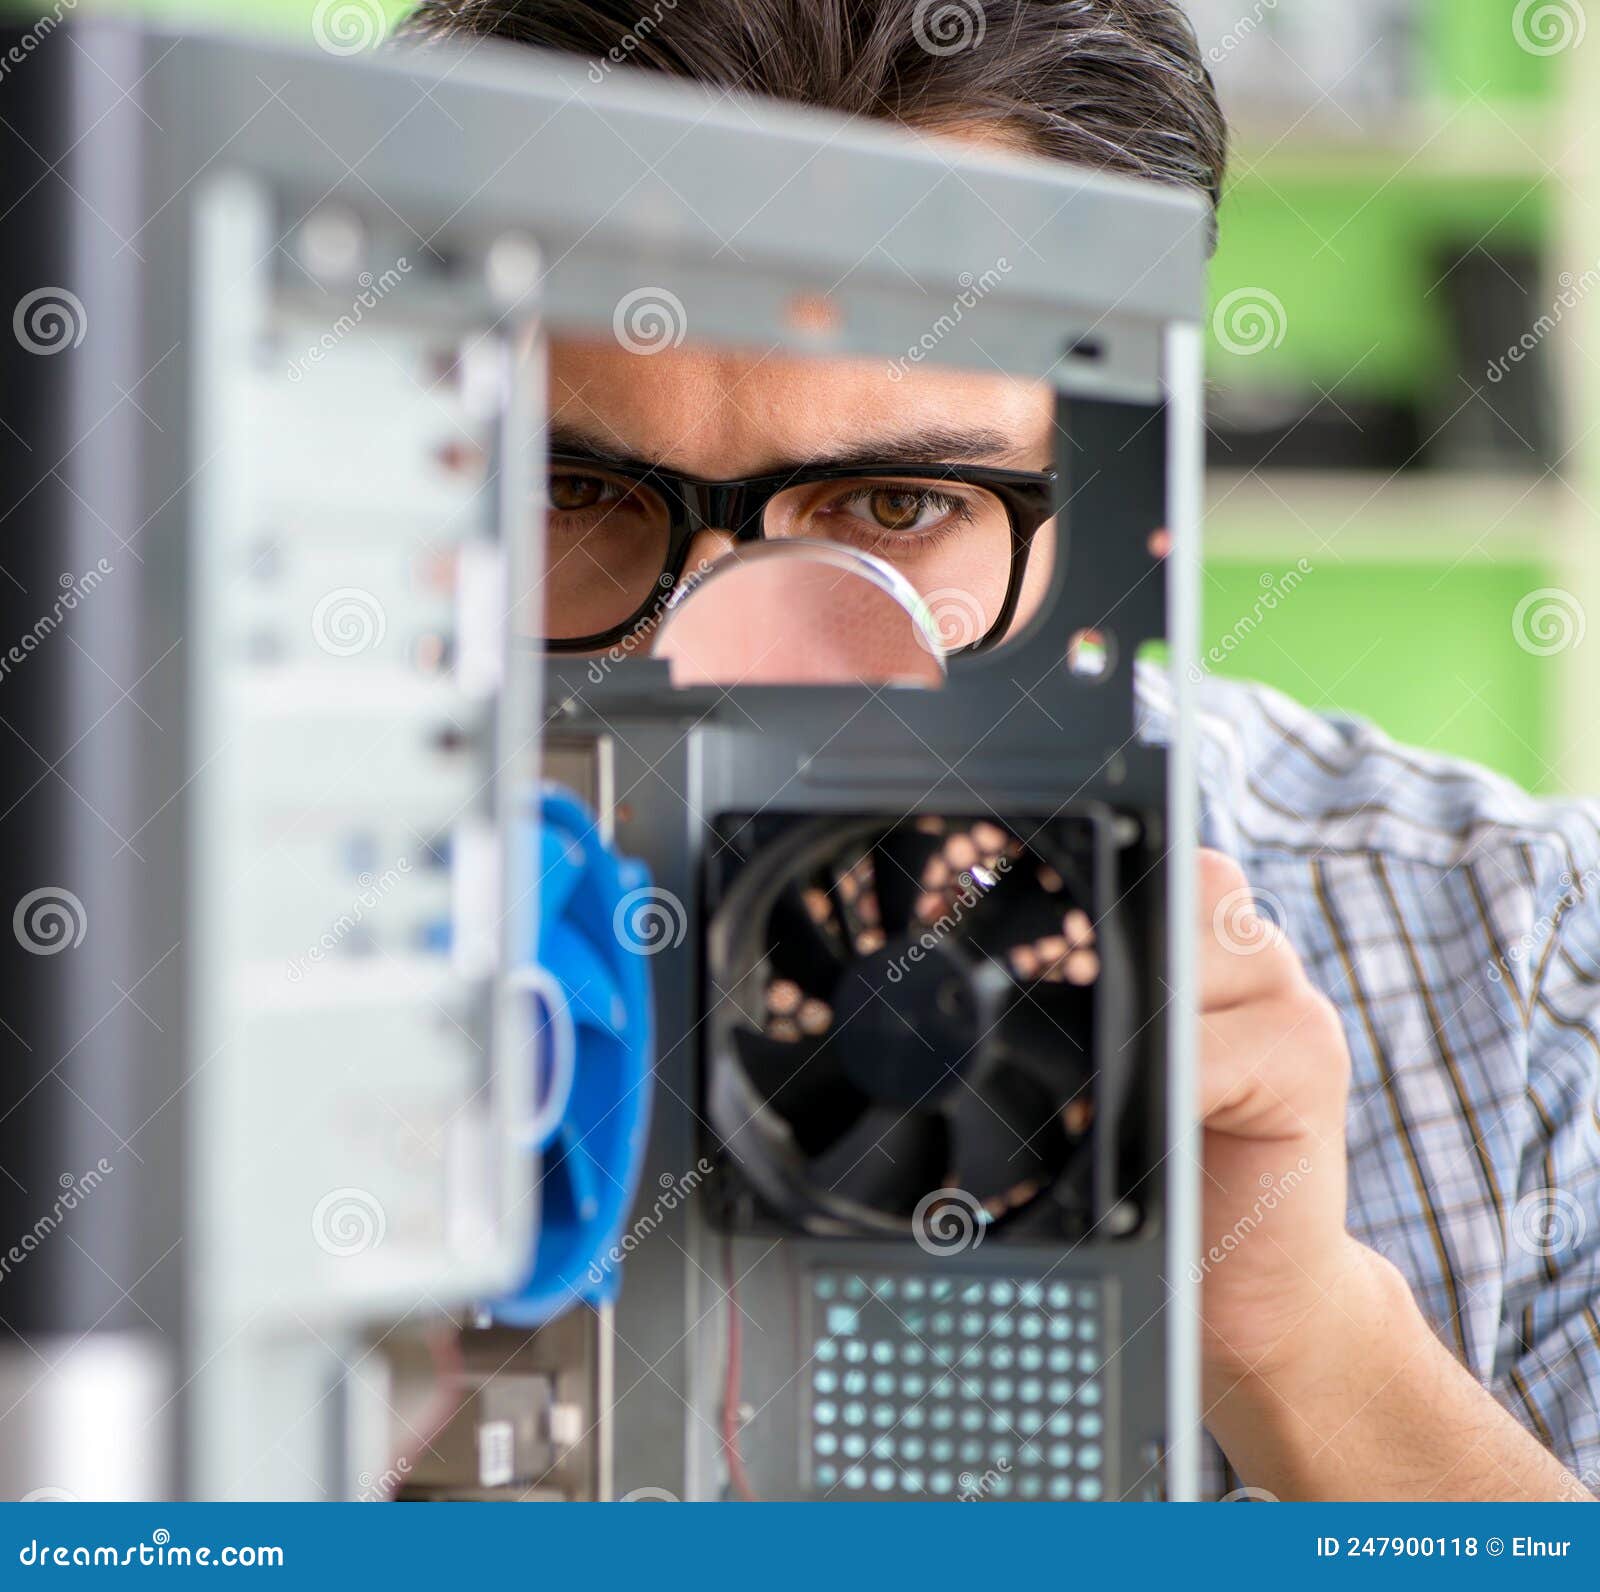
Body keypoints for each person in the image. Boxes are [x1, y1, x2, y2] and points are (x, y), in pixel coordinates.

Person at [400, 0, 1600, 1501]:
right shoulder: (196, 960)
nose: (705, 666)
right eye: (575, 492)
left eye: (896, 511)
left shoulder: (1531, 974)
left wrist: (1310, 1349)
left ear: (1112, 484)